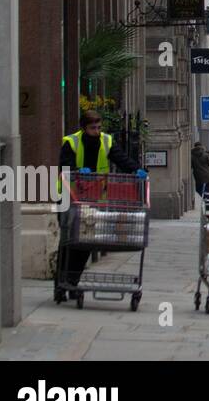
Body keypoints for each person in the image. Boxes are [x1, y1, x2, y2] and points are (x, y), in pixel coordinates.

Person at [55, 109, 144, 302]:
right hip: (68, 198)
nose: (97, 131)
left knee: (86, 241)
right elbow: (64, 166)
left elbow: (121, 158)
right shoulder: (71, 142)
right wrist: (78, 171)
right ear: (84, 128)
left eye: (98, 127)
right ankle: (60, 284)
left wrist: (137, 169)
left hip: (92, 198)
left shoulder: (106, 141)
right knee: (69, 242)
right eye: (92, 128)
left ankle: (73, 281)